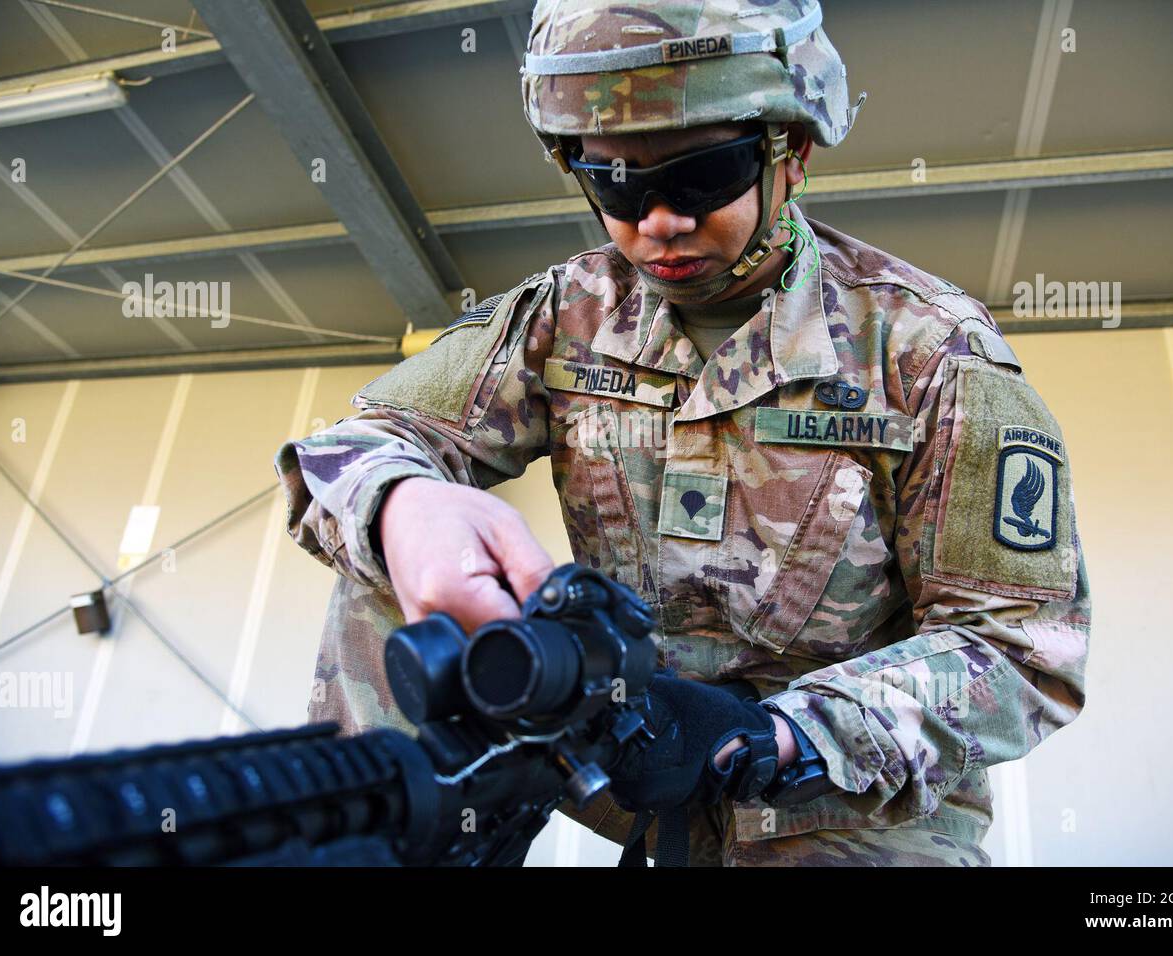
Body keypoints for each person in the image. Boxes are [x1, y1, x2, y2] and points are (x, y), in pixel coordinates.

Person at [275, 0, 1091, 866]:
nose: (656, 222)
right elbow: (358, 444)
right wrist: (406, 507)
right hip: (620, 758)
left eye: (701, 178)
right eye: (614, 184)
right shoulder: (569, 315)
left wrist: (774, 736)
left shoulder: (929, 351)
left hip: (832, 805)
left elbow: (1019, 649)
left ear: (791, 152)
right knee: (390, 561)